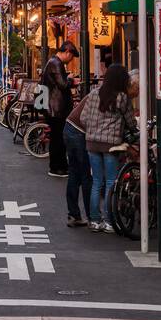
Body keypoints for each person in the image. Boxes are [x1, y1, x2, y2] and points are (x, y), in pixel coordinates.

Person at [80, 63, 138, 232]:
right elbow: (130, 121)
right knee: (111, 182)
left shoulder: (93, 94)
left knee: (97, 181)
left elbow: (83, 118)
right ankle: (109, 221)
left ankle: (95, 221)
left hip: (92, 143)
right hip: (111, 145)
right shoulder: (122, 97)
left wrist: (94, 129)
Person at [42, 41, 79, 177]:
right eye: (71, 57)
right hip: (56, 108)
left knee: (57, 137)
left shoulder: (53, 62)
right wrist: (71, 80)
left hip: (54, 107)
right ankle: (57, 167)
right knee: (58, 138)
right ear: (67, 52)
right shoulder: (56, 63)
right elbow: (63, 84)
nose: (71, 60)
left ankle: (59, 166)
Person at [62, 92, 91, 227]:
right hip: (79, 132)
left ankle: (74, 214)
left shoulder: (97, 93)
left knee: (74, 173)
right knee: (85, 175)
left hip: (69, 127)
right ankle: (92, 216)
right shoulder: (112, 95)